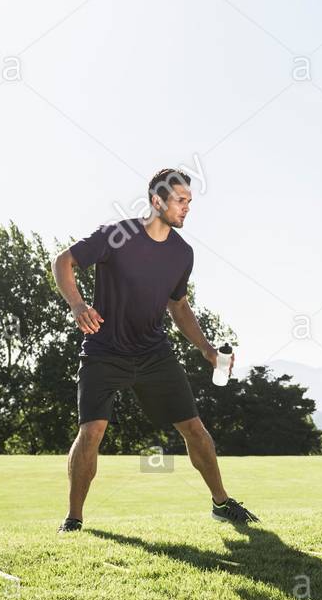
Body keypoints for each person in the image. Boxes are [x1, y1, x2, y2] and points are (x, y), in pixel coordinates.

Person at [52, 168, 258, 532]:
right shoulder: (117, 235)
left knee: (195, 429)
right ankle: (74, 519)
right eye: (180, 200)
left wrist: (209, 350)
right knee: (92, 431)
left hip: (153, 353)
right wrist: (78, 305)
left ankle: (222, 503)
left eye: (190, 201)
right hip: (104, 348)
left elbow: (178, 306)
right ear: (156, 200)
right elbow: (63, 261)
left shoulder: (182, 254)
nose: (187, 208)